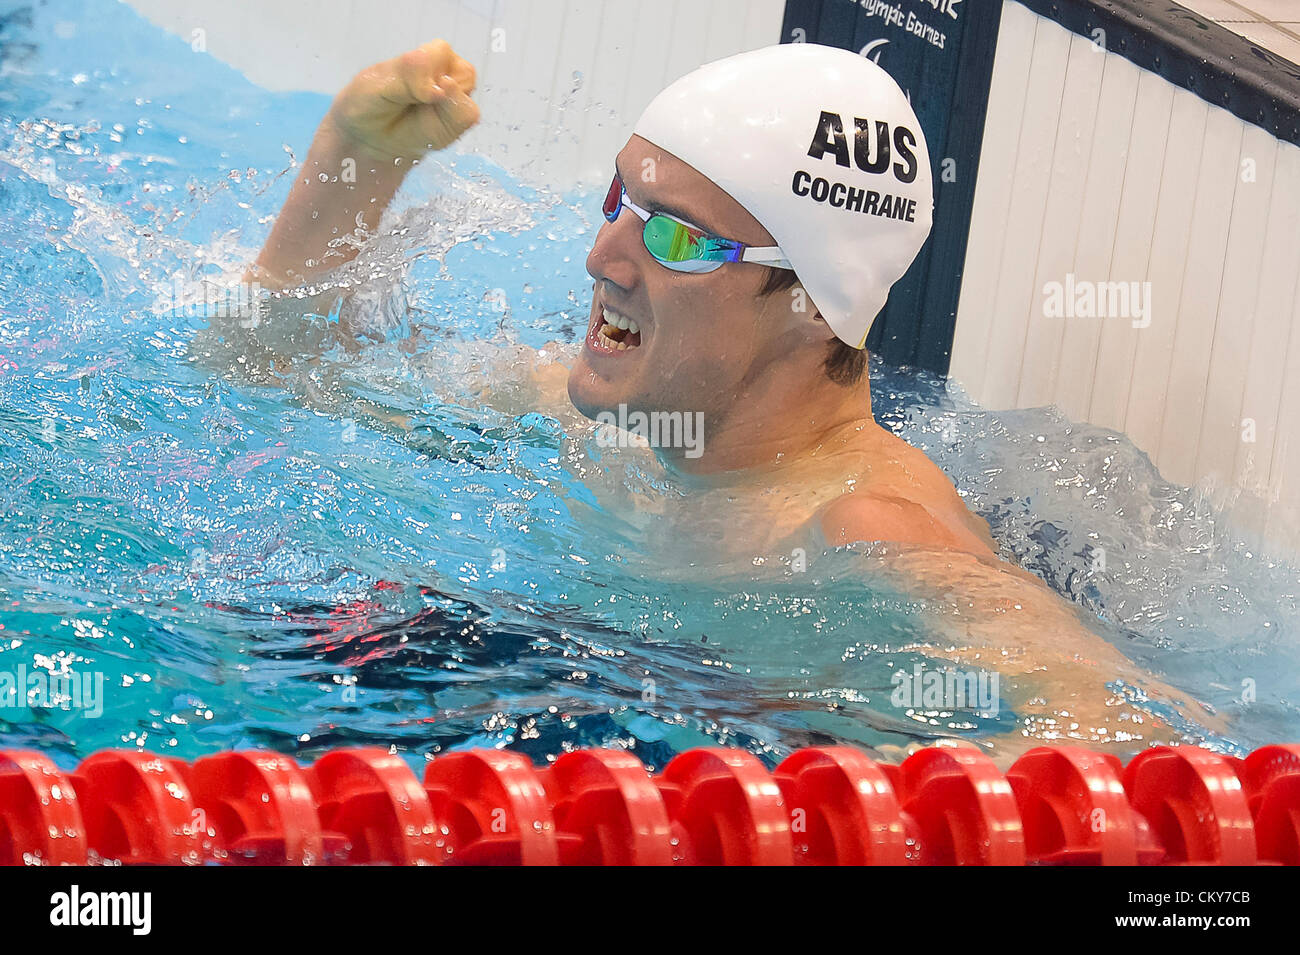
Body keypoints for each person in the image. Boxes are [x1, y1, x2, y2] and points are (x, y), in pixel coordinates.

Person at [197, 40, 1221, 757]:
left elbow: (1135, 732)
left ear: (816, 302)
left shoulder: (867, 526)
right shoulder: (601, 420)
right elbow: (277, 377)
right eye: (622, 201)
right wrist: (358, 164)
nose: (604, 254)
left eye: (676, 234)